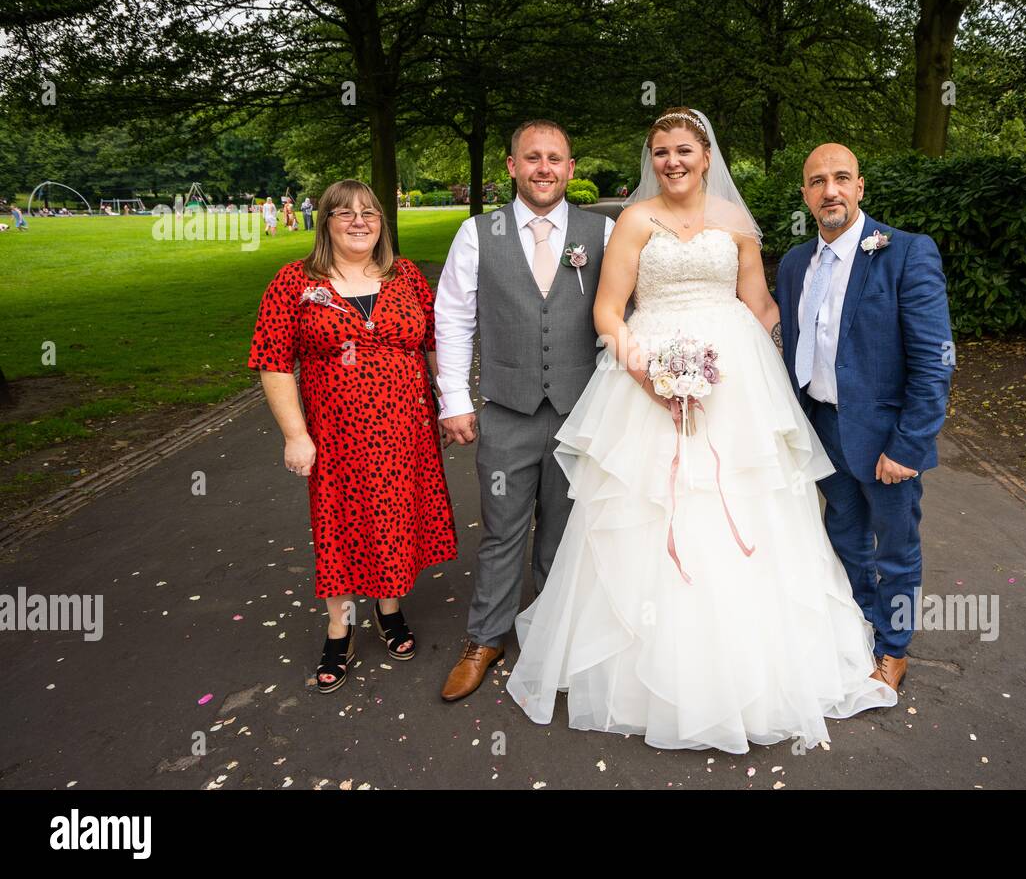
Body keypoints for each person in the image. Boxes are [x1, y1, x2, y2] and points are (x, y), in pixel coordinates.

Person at [505, 108, 898, 754]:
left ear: (706, 155)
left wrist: (790, 371)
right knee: (653, 509)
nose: (672, 161)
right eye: (660, 151)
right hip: (648, 373)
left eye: (683, 149)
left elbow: (760, 302)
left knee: (748, 505)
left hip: (736, 380)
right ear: (651, 159)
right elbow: (609, 309)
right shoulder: (631, 221)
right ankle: (645, 671)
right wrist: (649, 376)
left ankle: (757, 666)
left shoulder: (737, 224)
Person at [248, 178, 458, 694]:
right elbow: (273, 363)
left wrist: (449, 403)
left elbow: (437, 340)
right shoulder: (294, 281)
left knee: (395, 516)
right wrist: (295, 435)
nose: (359, 221)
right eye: (345, 213)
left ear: (382, 222)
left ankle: (389, 609)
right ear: (326, 222)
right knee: (340, 524)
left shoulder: (405, 275)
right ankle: (339, 628)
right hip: (337, 434)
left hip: (406, 430)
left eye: (369, 211)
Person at [435, 119, 615, 702]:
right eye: (532, 157)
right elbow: (455, 320)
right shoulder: (476, 234)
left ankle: (553, 635)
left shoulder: (603, 231)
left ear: (570, 168)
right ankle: (484, 639)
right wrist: (455, 400)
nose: (544, 168)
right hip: (507, 411)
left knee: (566, 532)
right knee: (501, 530)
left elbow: (629, 314)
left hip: (581, 410)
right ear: (511, 166)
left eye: (555, 158)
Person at [775, 144, 953, 692]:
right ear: (805, 194)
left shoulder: (905, 253)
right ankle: (858, 628)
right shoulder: (792, 263)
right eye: (817, 182)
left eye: (841, 178)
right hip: (819, 429)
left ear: (859, 187)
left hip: (883, 441)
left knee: (895, 547)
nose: (830, 190)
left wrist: (909, 445)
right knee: (844, 537)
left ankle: (894, 648)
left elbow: (933, 359)